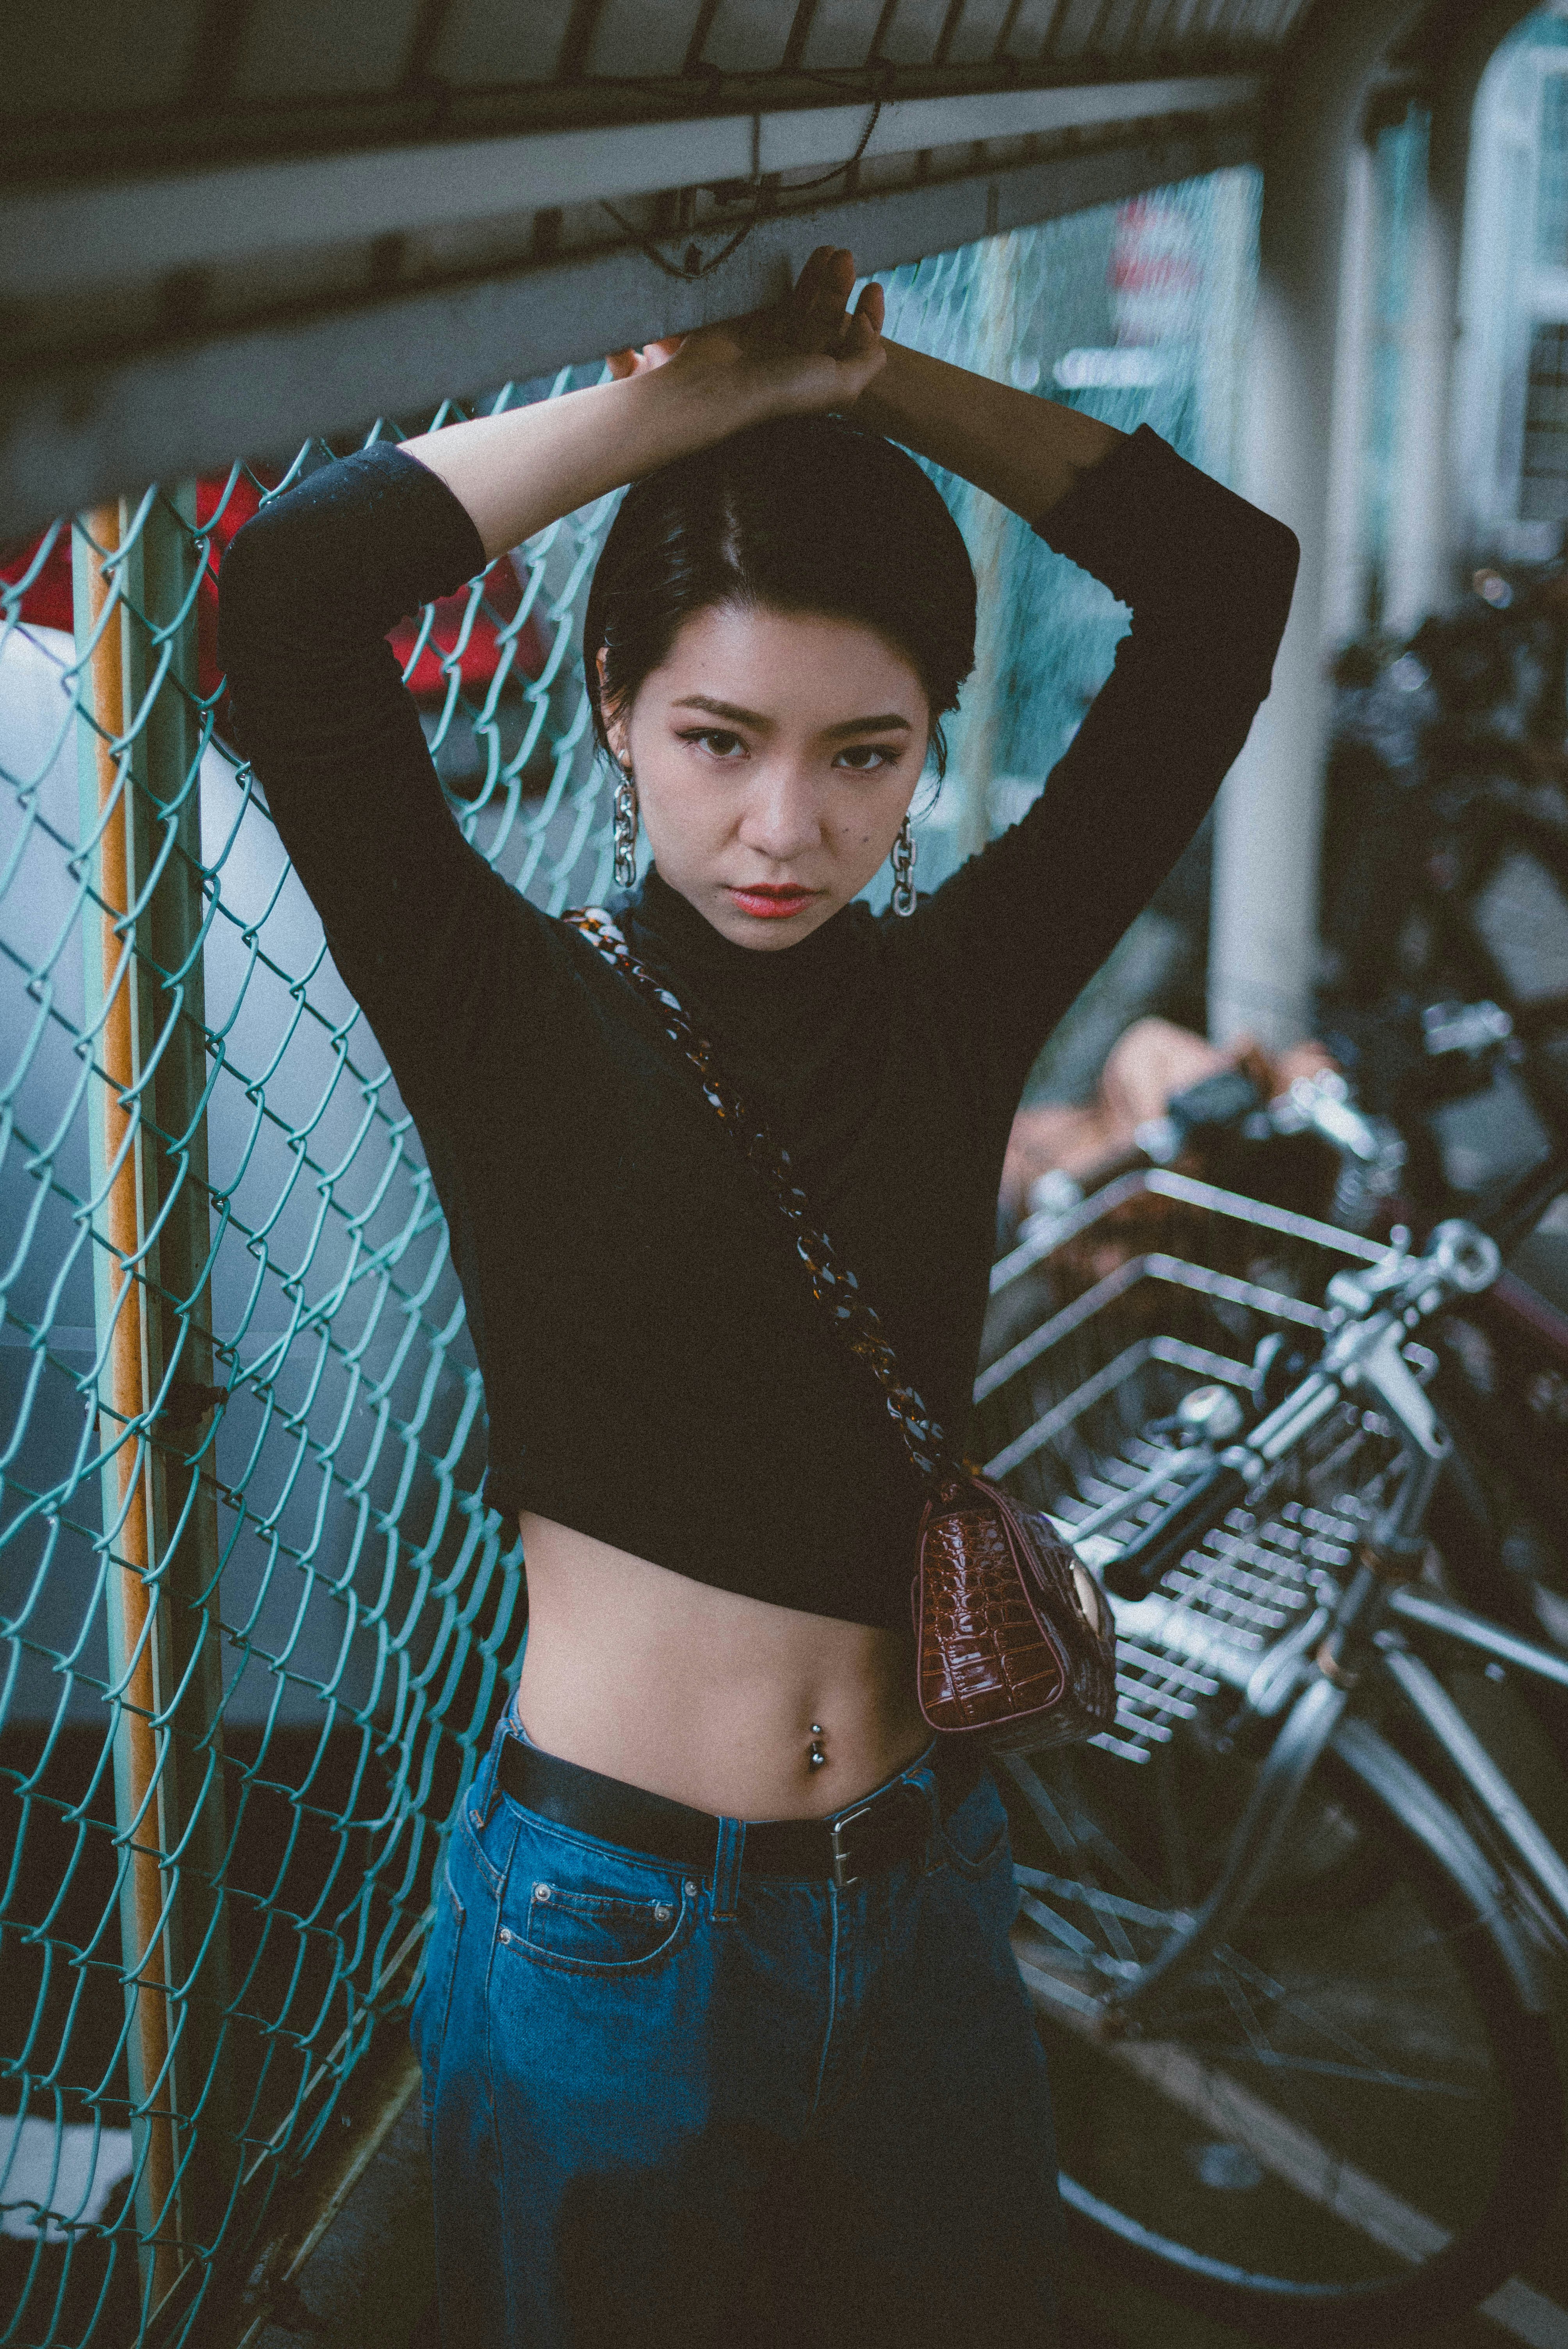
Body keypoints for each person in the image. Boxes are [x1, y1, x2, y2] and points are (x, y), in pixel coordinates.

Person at [218, 245, 1298, 2349]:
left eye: (865, 756)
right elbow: (287, 597)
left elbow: (1226, 589)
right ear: (615, 710)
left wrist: (873, 389)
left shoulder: (959, 993)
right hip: (606, 1927)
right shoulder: (493, 1001)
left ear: (926, 750)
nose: (786, 826)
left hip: (924, 1897)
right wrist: (696, 406)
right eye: (716, 739)